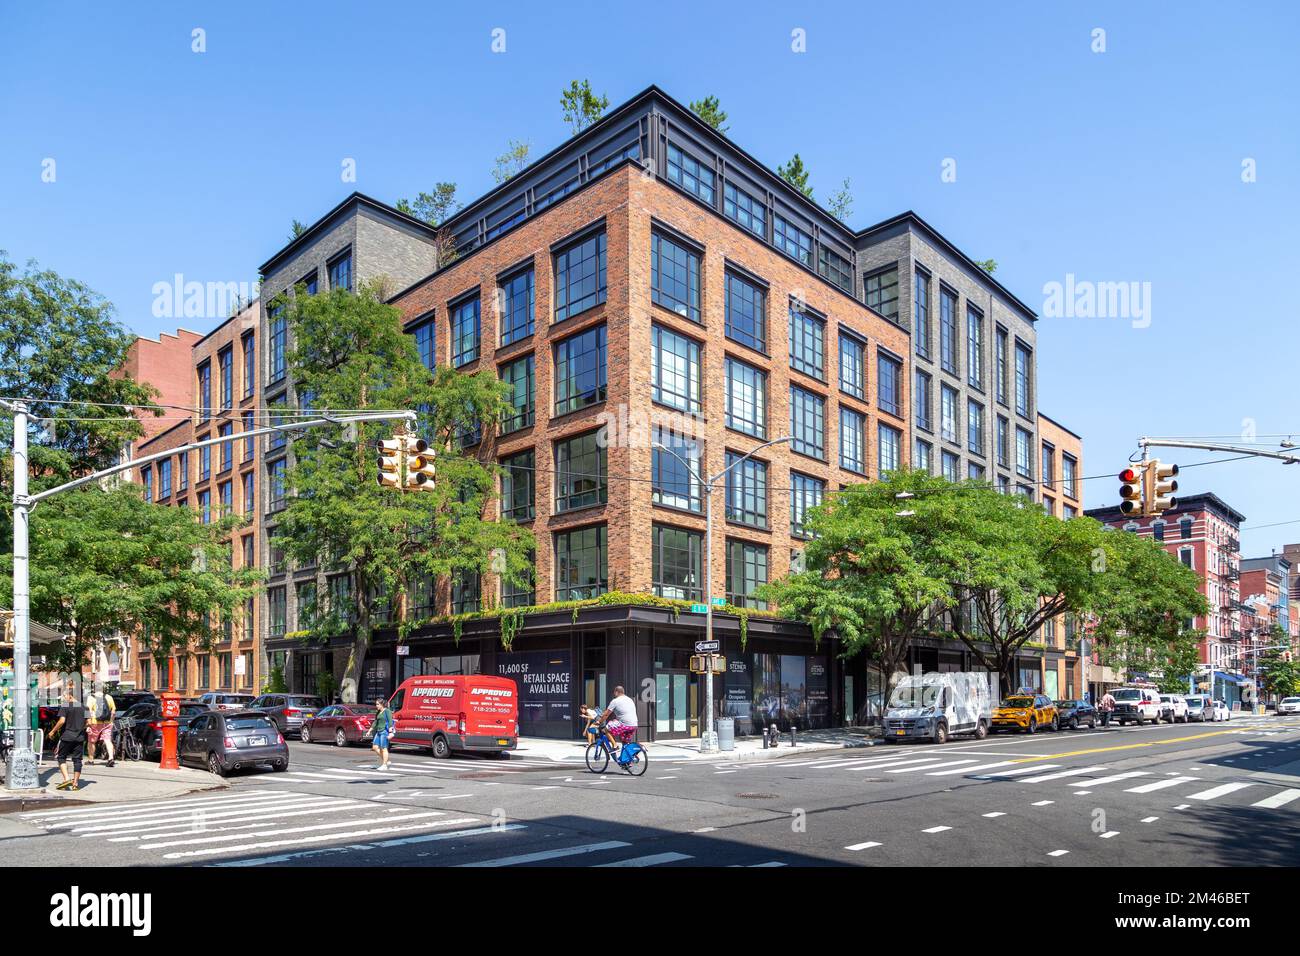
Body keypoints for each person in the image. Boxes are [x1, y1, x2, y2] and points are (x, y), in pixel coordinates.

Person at [49, 689, 88, 792]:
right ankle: (75, 783)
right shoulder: (85, 707)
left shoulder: (66, 706)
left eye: (65, 696)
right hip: (79, 737)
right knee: (77, 760)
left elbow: (62, 721)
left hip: (66, 736)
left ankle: (66, 779)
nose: (64, 698)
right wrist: (81, 728)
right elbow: (89, 723)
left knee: (61, 757)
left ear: (70, 696)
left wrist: (52, 731)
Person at [598, 686, 638, 756]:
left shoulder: (615, 701)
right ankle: (627, 761)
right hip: (634, 725)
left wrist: (599, 721)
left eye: (614, 692)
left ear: (617, 692)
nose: (614, 693)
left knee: (606, 729)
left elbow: (606, 714)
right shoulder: (630, 699)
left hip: (624, 724)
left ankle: (615, 746)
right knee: (625, 742)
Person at [85, 685, 116, 767]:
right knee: (108, 740)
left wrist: (88, 723)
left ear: (94, 689)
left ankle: (91, 760)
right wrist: (111, 721)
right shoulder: (109, 697)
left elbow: (89, 711)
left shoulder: (91, 698)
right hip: (107, 722)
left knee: (91, 741)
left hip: (95, 722)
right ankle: (111, 758)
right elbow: (113, 711)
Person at [371, 696, 394, 771]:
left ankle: (384, 765)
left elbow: (390, 720)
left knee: (383, 748)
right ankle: (386, 761)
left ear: (382, 704)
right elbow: (375, 722)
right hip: (378, 731)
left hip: (384, 731)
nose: (376, 706)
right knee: (374, 747)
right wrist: (369, 730)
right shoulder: (378, 712)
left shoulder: (387, 711)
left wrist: (390, 731)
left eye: (377, 704)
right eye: (376, 704)